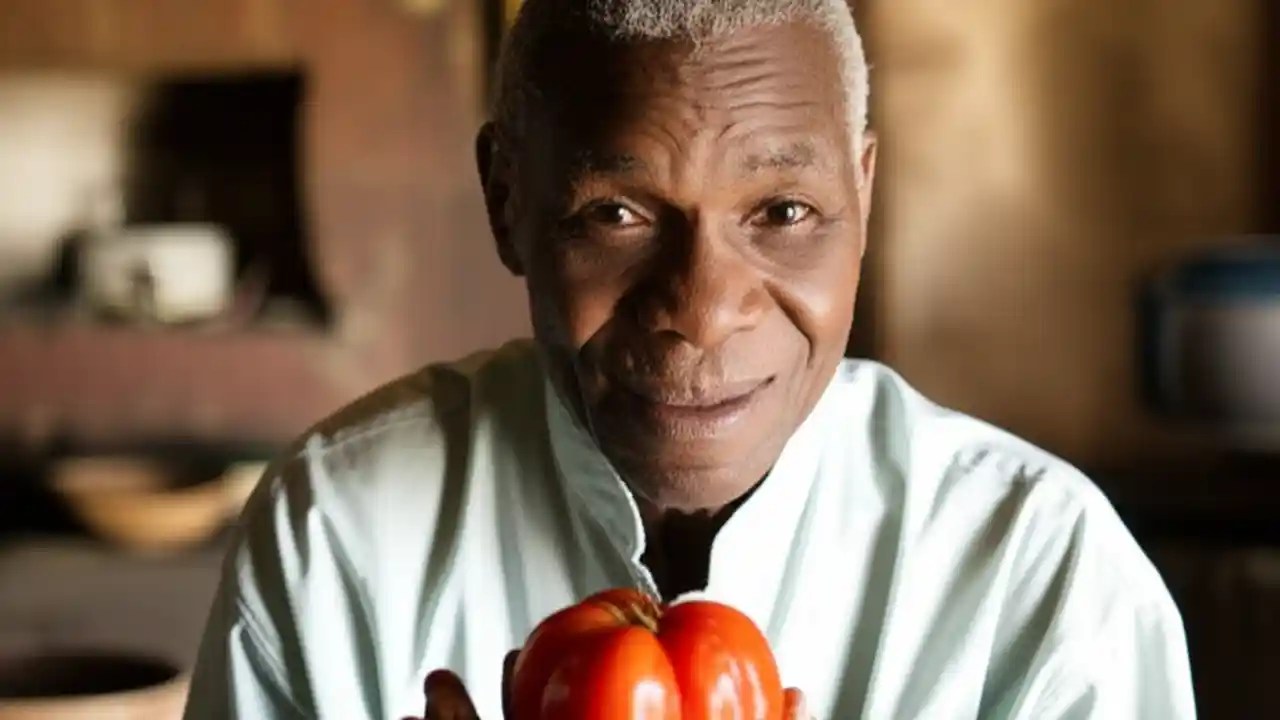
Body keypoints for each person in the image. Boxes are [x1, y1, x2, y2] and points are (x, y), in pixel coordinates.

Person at [183, 0, 1196, 718]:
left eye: (783, 212)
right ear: (505, 203)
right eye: (614, 215)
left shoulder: (1038, 572)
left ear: (863, 194)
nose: (701, 312)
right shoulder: (341, 537)